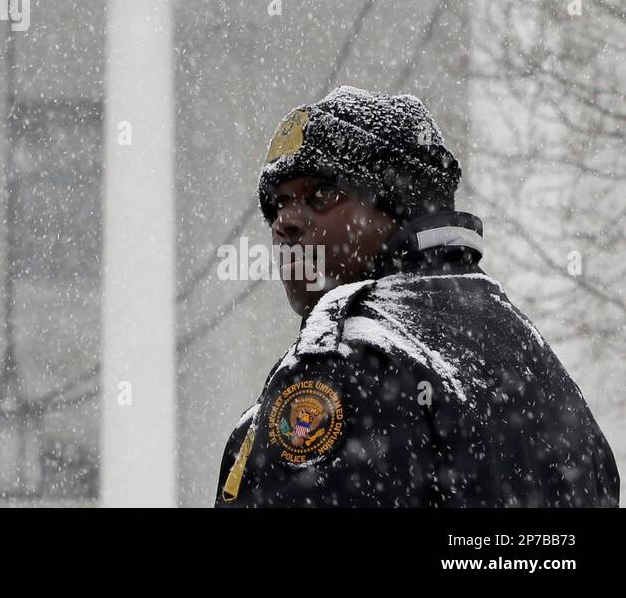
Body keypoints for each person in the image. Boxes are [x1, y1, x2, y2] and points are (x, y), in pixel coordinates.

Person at [215, 85, 619, 507]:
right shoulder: (533, 360)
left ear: (400, 206)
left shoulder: (351, 361)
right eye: (276, 204)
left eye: (322, 194)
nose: (285, 222)